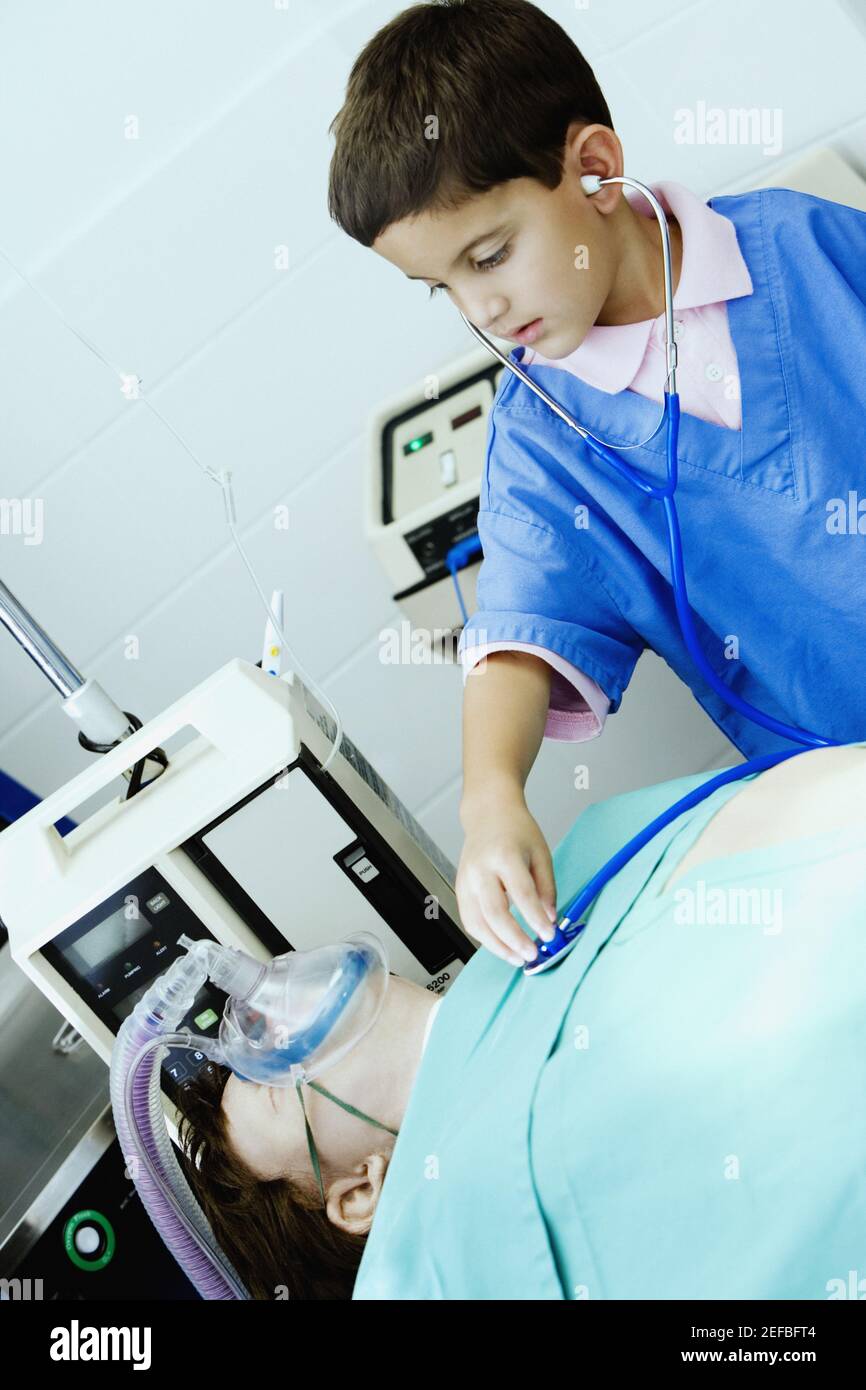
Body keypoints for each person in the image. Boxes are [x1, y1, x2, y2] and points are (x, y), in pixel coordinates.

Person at [326, 0, 866, 970]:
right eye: (441, 286)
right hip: (843, 807)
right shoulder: (541, 445)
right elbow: (518, 640)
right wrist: (490, 797)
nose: (479, 308)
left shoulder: (805, 249)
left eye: (487, 254)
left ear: (592, 169)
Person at [175, 740, 866, 1299]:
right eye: (268, 1078)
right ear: (358, 1193)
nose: (273, 1009)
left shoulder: (525, 924)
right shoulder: (462, 1219)